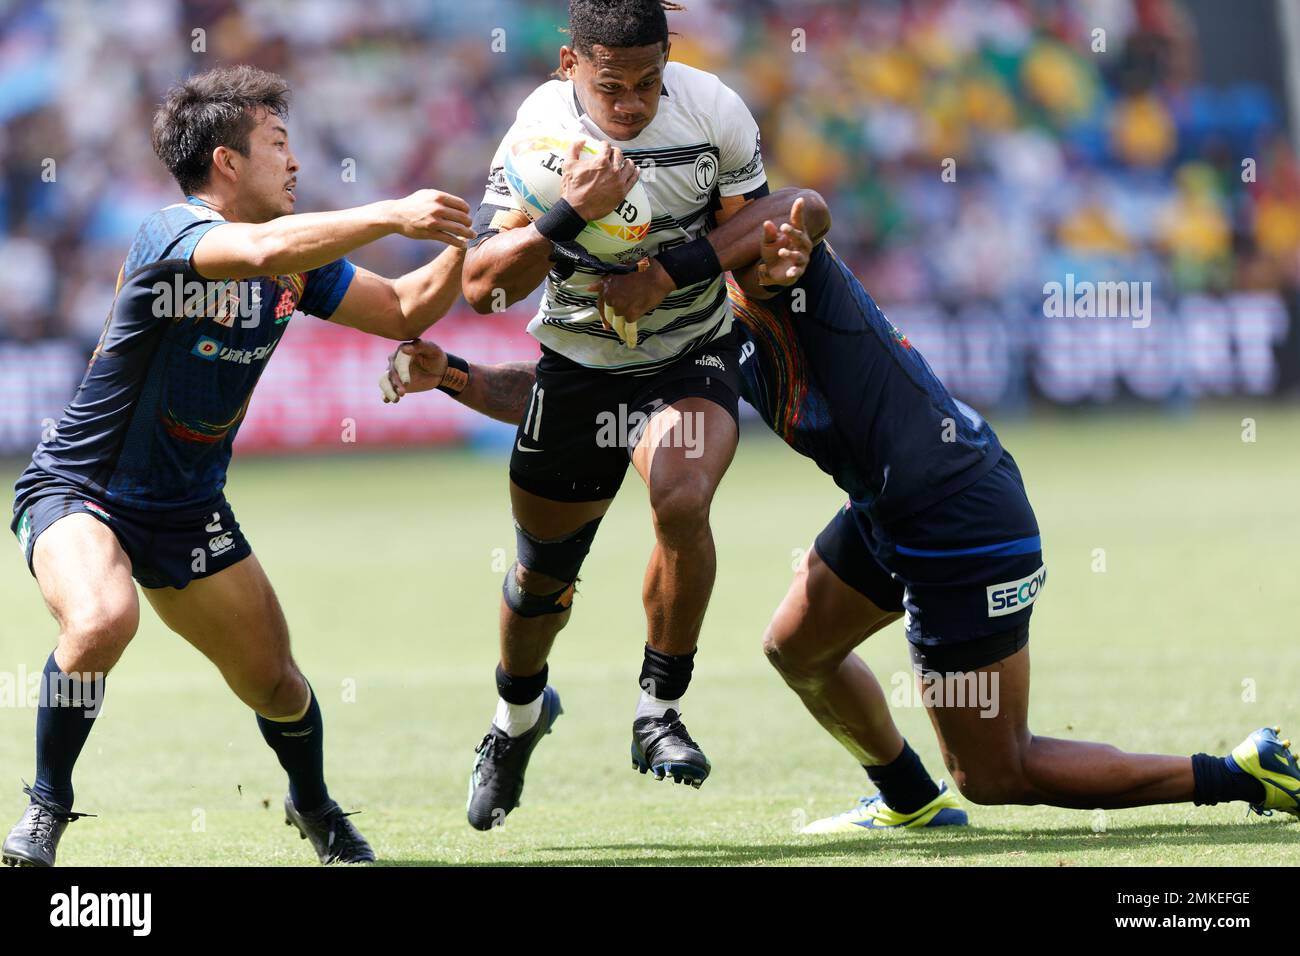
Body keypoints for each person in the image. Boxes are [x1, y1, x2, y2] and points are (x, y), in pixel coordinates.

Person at [385, 186, 1300, 833]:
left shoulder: (764, 266)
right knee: (797, 647)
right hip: (888, 511)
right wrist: (452, 376)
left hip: (958, 520)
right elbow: (571, 398)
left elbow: (801, 210)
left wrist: (798, 237)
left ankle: (1242, 773)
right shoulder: (695, 332)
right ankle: (907, 796)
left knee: (998, 771)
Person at [4, 64, 475, 867]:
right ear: (226, 161)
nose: (294, 162)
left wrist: (483, 234)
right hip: (83, 490)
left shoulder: (296, 260)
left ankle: (315, 806)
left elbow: (402, 308)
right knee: (102, 619)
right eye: (278, 144)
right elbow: (256, 248)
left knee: (278, 685)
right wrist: (394, 210)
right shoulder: (169, 235)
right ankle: (45, 810)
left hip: (188, 509)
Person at [457, 0, 779, 830]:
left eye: (647, 81)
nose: (631, 103)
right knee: (539, 580)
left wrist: (668, 274)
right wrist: (569, 210)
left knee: (682, 496)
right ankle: (516, 721)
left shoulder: (713, 111)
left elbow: (761, 221)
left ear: (670, 57)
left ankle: (657, 708)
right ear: (570, 64)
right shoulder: (537, 134)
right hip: (577, 365)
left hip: (689, 355)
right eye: (612, 86)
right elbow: (482, 286)